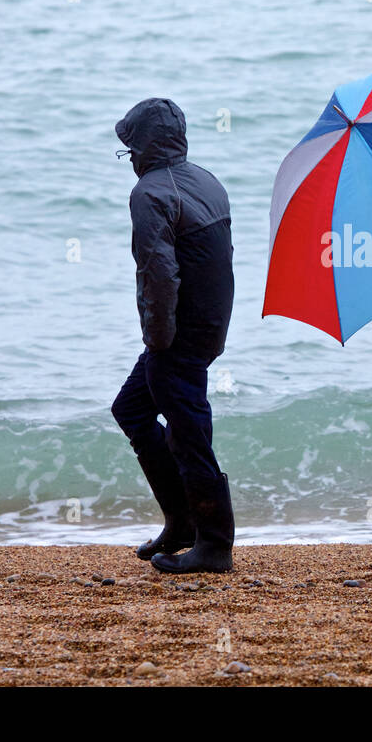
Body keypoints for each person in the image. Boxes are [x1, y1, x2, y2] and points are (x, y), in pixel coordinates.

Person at [110, 98, 236, 574]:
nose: (130, 159)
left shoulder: (150, 194)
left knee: (189, 435)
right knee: (132, 409)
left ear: (142, 146)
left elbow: (159, 274)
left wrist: (159, 343)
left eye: (130, 148)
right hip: (206, 325)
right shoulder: (206, 179)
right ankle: (181, 523)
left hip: (178, 334)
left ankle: (215, 544)